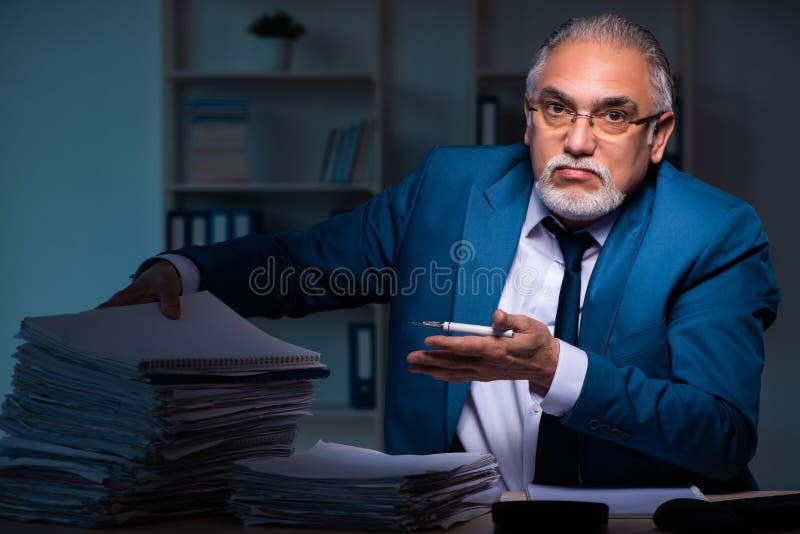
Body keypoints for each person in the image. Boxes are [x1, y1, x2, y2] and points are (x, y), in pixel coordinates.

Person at [101, 14, 779, 492]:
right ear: (528, 118)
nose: (577, 141)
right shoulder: (448, 186)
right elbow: (304, 263)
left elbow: (720, 435)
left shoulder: (714, 233)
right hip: (449, 518)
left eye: (613, 115)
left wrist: (555, 369)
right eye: (556, 108)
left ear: (658, 135)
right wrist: (186, 271)